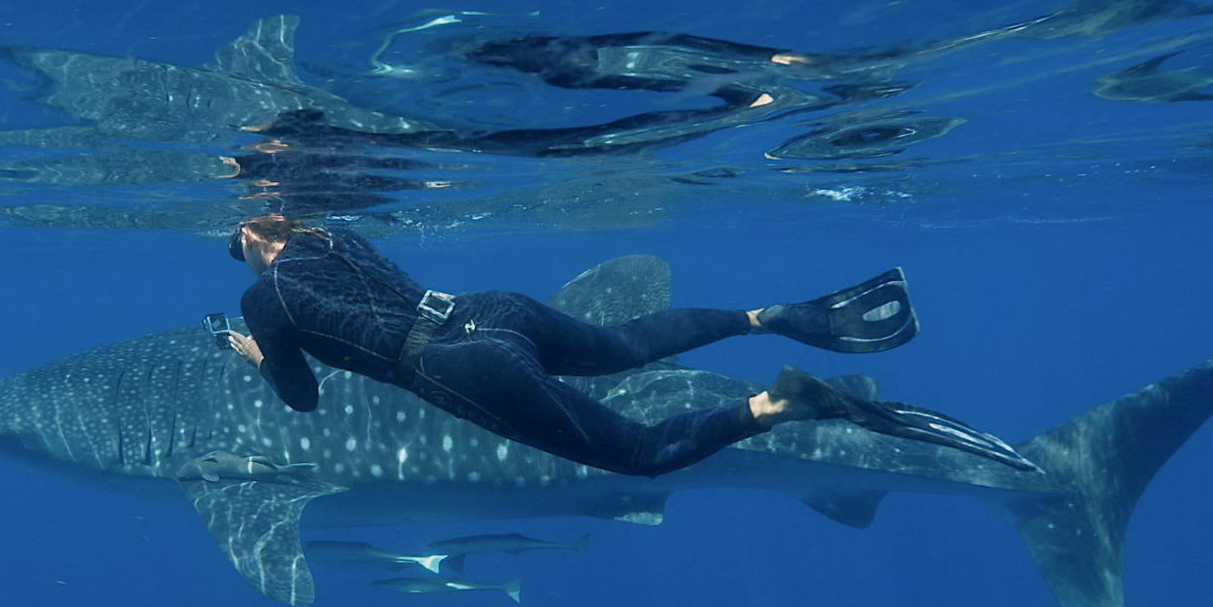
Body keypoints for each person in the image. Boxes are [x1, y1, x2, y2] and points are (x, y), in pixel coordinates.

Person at [225, 215, 1038, 477]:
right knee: (622, 344)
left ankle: (778, 401)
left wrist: (261, 356)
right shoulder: (335, 232)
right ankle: (766, 317)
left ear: (251, 243)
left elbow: (303, 399)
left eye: (238, 248)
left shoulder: (262, 298)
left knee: (643, 454)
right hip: (484, 308)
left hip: (452, 365)